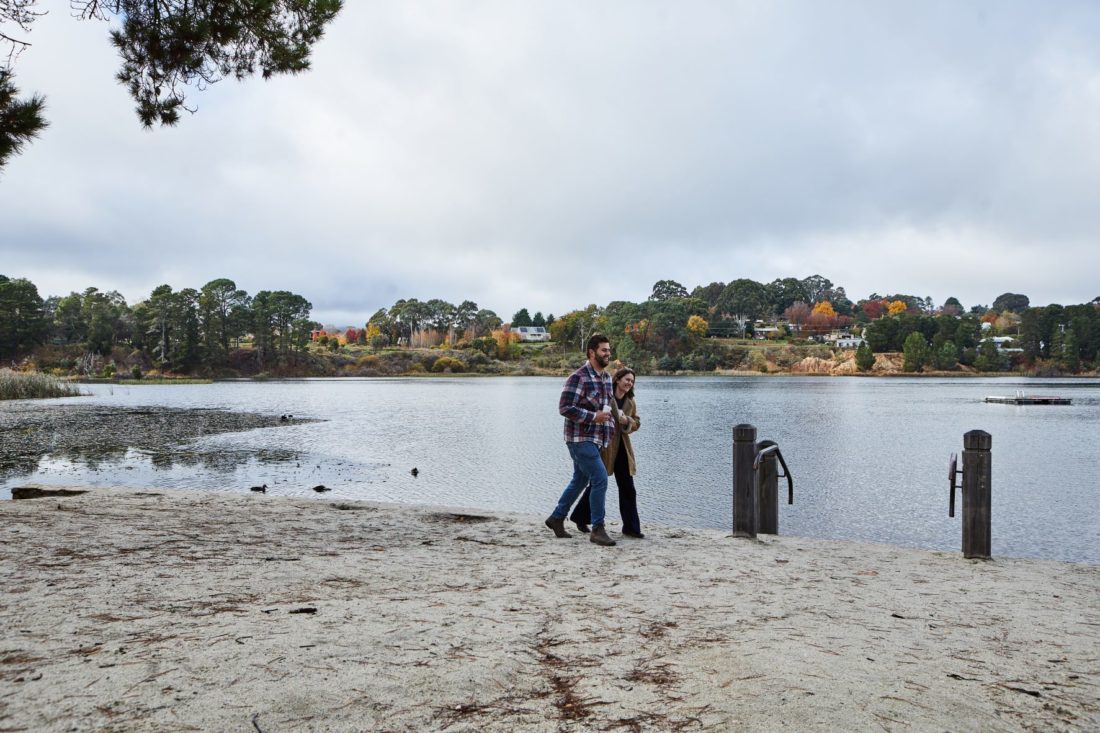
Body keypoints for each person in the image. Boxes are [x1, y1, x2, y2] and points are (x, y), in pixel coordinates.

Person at [545, 333, 617, 547]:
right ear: (592, 352)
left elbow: (608, 406)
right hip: (578, 438)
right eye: (604, 350)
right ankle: (597, 529)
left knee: (580, 480)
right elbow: (565, 408)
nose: (608, 354)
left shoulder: (606, 378)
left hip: (596, 439)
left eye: (609, 350)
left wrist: (612, 424)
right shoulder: (578, 377)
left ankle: (557, 518)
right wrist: (594, 417)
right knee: (600, 478)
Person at [569, 367, 644, 538]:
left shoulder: (631, 402)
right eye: (627, 379)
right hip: (605, 446)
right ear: (617, 379)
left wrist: (628, 421)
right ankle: (581, 517)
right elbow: (595, 416)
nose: (629, 383)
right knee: (597, 483)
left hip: (623, 449)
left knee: (628, 488)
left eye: (632, 381)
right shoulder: (606, 397)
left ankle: (631, 528)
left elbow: (637, 423)